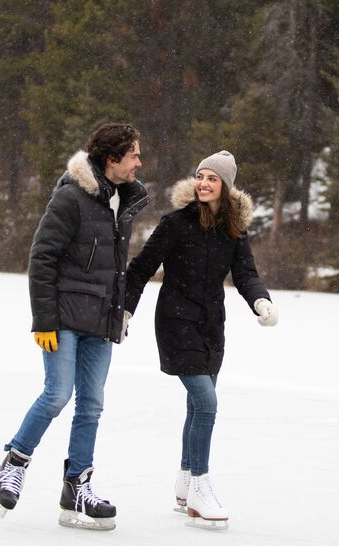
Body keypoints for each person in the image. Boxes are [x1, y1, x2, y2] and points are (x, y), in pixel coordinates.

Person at [0, 123, 148, 531]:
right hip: (63, 319)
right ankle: (15, 460)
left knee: (92, 405)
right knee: (57, 395)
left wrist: (119, 316)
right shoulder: (71, 198)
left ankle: (77, 485)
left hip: (101, 322)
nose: (139, 162)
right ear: (112, 159)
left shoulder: (121, 203)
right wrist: (44, 320)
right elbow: (41, 258)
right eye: (133, 154)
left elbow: (115, 272)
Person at [124, 150, 278, 529]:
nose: (204, 183)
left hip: (212, 326)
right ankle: (200, 485)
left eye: (212, 178)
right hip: (176, 323)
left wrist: (261, 300)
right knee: (207, 402)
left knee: (197, 405)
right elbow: (141, 268)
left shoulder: (234, 231)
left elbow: (245, 273)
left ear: (225, 186)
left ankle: (183, 481)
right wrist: (124, 310)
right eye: (200, 176)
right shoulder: (176, 223)